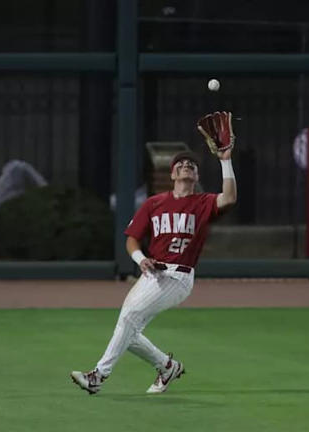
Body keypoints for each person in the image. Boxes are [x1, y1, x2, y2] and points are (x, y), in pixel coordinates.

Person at [70, 114, 237, 395]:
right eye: (180, 164)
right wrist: (140, 259)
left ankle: (98, 376)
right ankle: (167, 366)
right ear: (172, 174)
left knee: (129, 318)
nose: (186, 166)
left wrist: (225, 159)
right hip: (153, 273)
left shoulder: (204, 202)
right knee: (129, 329)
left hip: (178, 277)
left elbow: (229, 197)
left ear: (196, 176)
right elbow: (132, 239)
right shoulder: (154, 203)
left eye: (192, 165)